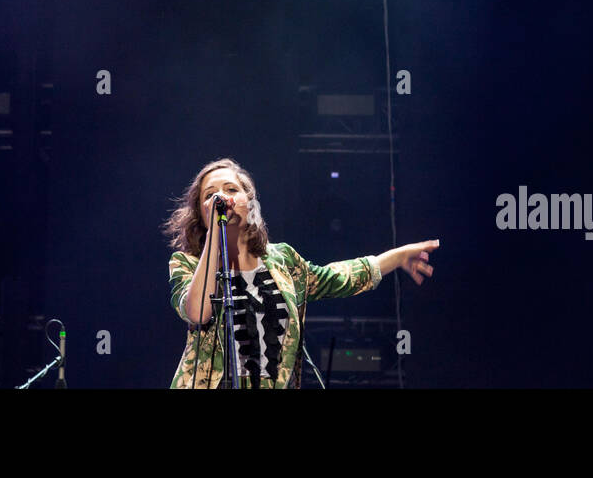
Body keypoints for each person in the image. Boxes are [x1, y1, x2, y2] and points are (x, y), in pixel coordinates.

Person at [161, 157, 438, 388]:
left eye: (231, 189)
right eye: (210, 195)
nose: (222, 198)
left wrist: (398, 256)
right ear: (200, 212)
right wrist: (214, 236)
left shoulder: (283, 260)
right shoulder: (187, 263)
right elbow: (197, 312)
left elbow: (339, 276)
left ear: (250, 201)